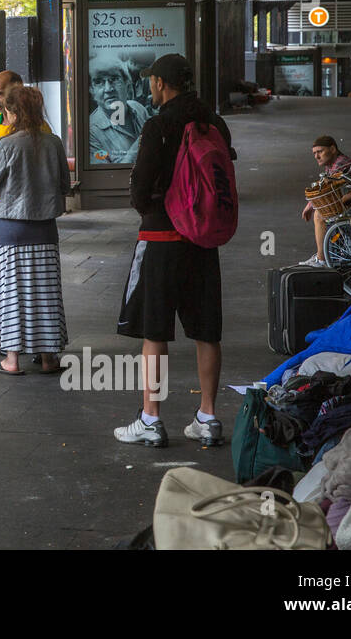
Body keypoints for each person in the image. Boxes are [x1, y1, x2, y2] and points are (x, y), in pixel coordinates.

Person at [114, 54, 234, 449]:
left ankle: (151, 418)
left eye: (152, 83)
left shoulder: (159, 125)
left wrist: (150, 207)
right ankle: (208, 417)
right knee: (206, 330)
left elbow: (141, 184)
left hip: (162, 237)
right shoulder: (212, 123)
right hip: (201, 239)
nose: (150, 88)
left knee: (155, 331)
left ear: (161, 84)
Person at [0, 85, 70, 375]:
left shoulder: (7, 144)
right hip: (44, 229)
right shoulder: (54, 143)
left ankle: (12, 359)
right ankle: (47, 358)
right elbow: (65, 186)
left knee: (11, 293)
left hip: (10, 229)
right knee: (45, 294)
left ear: (13, 112)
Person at [299, 135, 351, 267]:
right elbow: (324, 186)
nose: (316, 156)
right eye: (314, 153)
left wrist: (311, 206)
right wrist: (311, 204)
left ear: (332, 149)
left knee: (319, 215)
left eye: (320, 151)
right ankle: (327, 254)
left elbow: (325, 189)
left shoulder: (341, 163)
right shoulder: (332, 164)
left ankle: (321, 259)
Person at [88, 55, 151, 164]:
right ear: (92, 91)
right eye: (99, 82)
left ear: (127, 84)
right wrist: (142, 141)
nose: (108, 89)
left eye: (114, 79)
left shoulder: (138, 108)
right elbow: (106, 176)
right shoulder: (91, 132)